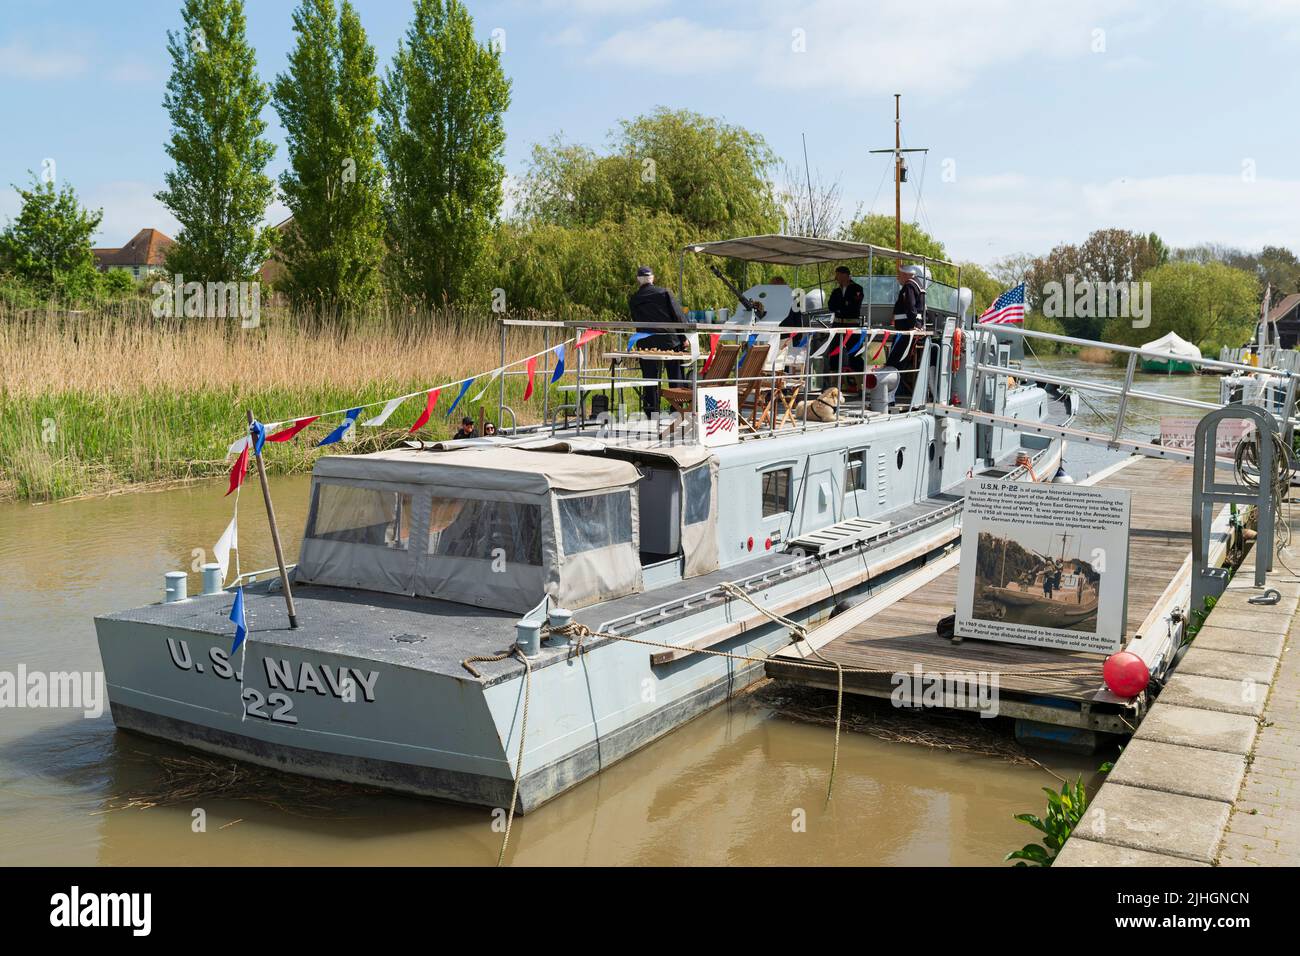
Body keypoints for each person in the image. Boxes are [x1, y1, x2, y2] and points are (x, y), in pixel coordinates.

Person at [629, 266, 688, 412]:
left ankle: (651, 409)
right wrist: (684, 337)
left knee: (649, 376)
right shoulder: (664, 292)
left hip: (646, 341)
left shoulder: (634, 299)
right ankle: (677, 407)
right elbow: (678, 317)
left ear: (638, 280)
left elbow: (636, 320)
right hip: (669, 340)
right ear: (652, 278)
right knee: (675, 374)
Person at [886, 265, 926, 400]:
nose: (898, 278)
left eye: (899, 275)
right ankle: (895, 390)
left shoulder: (909, 286)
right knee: (901, 360)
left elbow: (910, 307)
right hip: (907, 329)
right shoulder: (918, 285)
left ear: (906, 275)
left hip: (905, 330)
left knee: (895, 360)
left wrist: (911, 326)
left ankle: (892, 392)